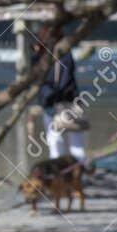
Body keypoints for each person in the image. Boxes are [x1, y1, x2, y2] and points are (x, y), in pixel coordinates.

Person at [36, 22, 87, 165]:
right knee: (76, 145)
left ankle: (60, 178)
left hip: (53, 104)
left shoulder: (46, 55)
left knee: (55, 145)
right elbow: (67, 80)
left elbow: (47, 82)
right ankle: (78, 176)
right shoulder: (64, 54)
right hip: (68, 102)